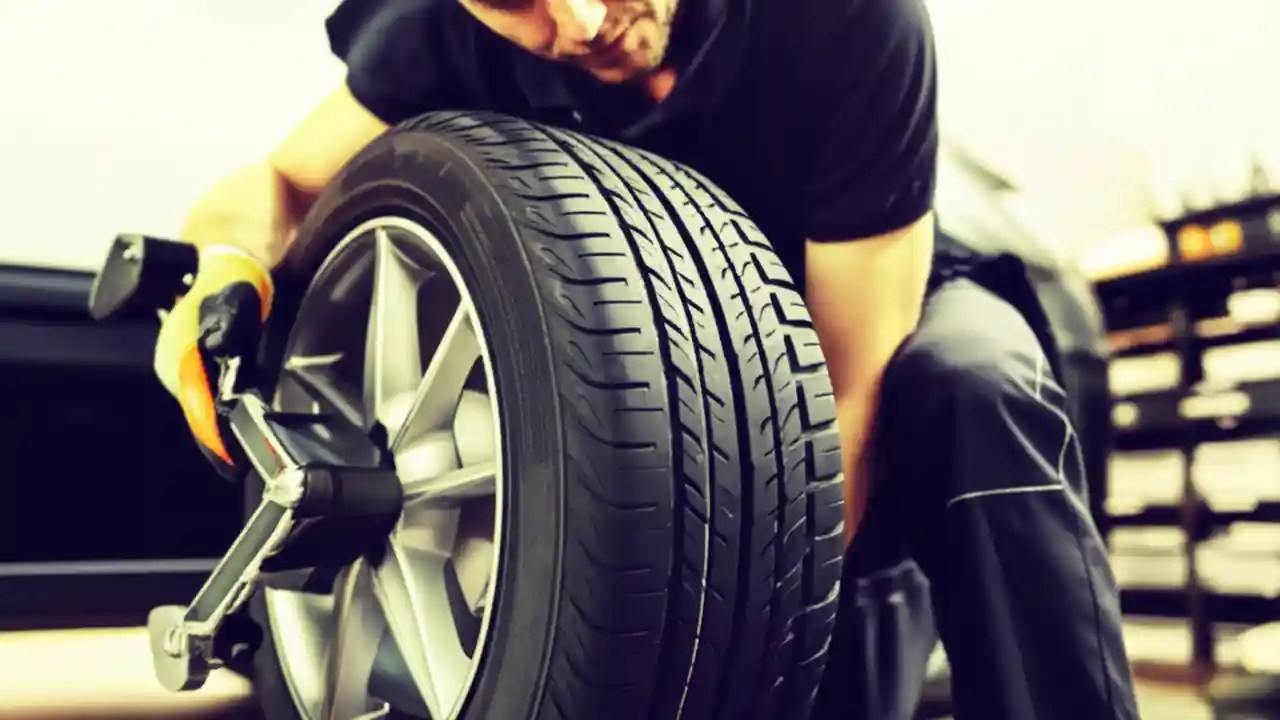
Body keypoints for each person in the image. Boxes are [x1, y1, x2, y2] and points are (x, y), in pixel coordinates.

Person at [163, 0, 1140, 717]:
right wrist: (224, 263)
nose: (579, 22)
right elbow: (276, 180)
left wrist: (735, 643)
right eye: (519, 5)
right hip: (695, 357)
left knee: (966, 392)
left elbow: (846, 392)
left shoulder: (844, 23)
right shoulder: (447, 28)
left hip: (886, 315)